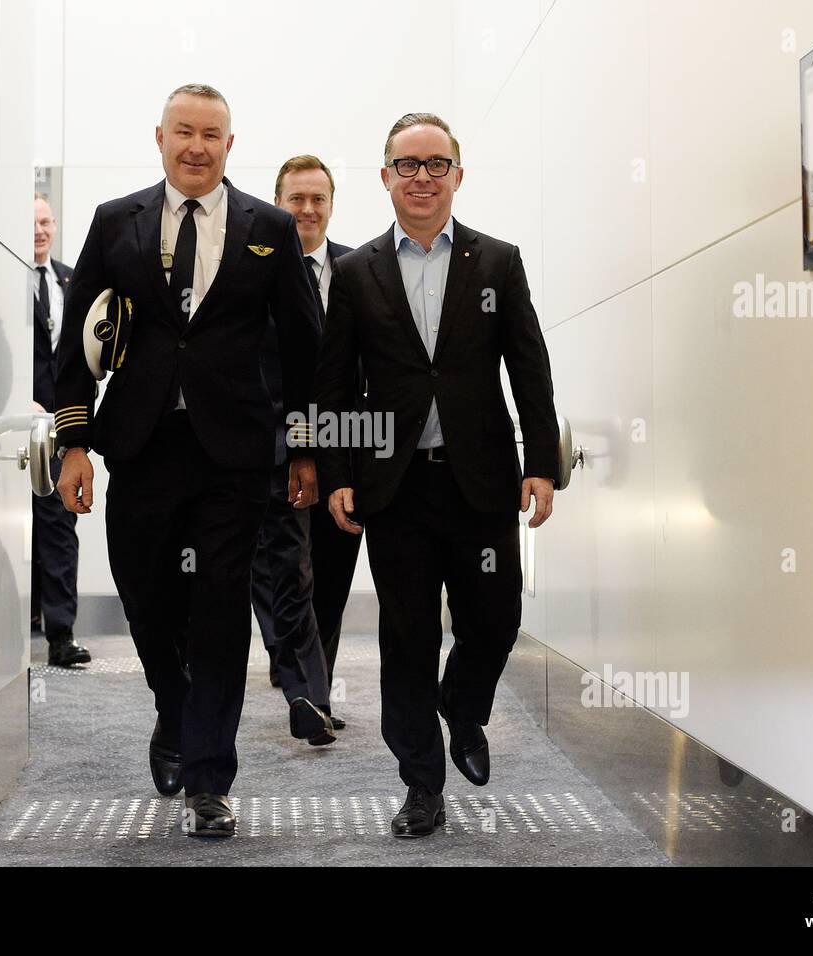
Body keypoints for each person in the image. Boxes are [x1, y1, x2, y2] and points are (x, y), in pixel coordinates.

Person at [54, 84, 321, 838]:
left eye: (212, 134)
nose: (197, 146)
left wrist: (305, 448)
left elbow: (306, 350)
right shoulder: (116, 222)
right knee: (147, 598)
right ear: (161, 138)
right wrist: (74, 443)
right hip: (140, 447)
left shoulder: (270, 229)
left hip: (234, 456)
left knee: (219, 609)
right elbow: (74, 341)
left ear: (231, 145)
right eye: (184, 132)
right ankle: (174, 709)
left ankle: (210, 775)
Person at [313, 113, 560, 838]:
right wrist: (337, 473)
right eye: (407, 165)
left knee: (495, 620)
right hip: (397, 490)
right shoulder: (356, 273)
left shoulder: (498, 262)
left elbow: (530, 369)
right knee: (409, 637)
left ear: (457, 173)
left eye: (436, 163)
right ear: (386, 176)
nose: (422, 177)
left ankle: (464, 706)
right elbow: (333, 386)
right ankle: (422, 783)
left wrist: (541, 464)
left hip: (480, 481)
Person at [250, 155, 356, 741]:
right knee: (287, 568)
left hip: (345, 446)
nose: (308, 209)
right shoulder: (255, 269)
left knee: (334, 572)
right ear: (279, 204)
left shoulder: (357, 268)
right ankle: (306, 687)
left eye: (318, 199)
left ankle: (316, 683)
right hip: (276, 444)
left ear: (331, 205)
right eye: (297, 199)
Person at [32, 194, 90, 667]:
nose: (40, 231)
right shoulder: (1, 279)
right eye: (32, 223)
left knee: (58, 524)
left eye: (47, 222)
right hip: (11, 422)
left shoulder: (70, 278)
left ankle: (61, 633)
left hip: (58, 425)